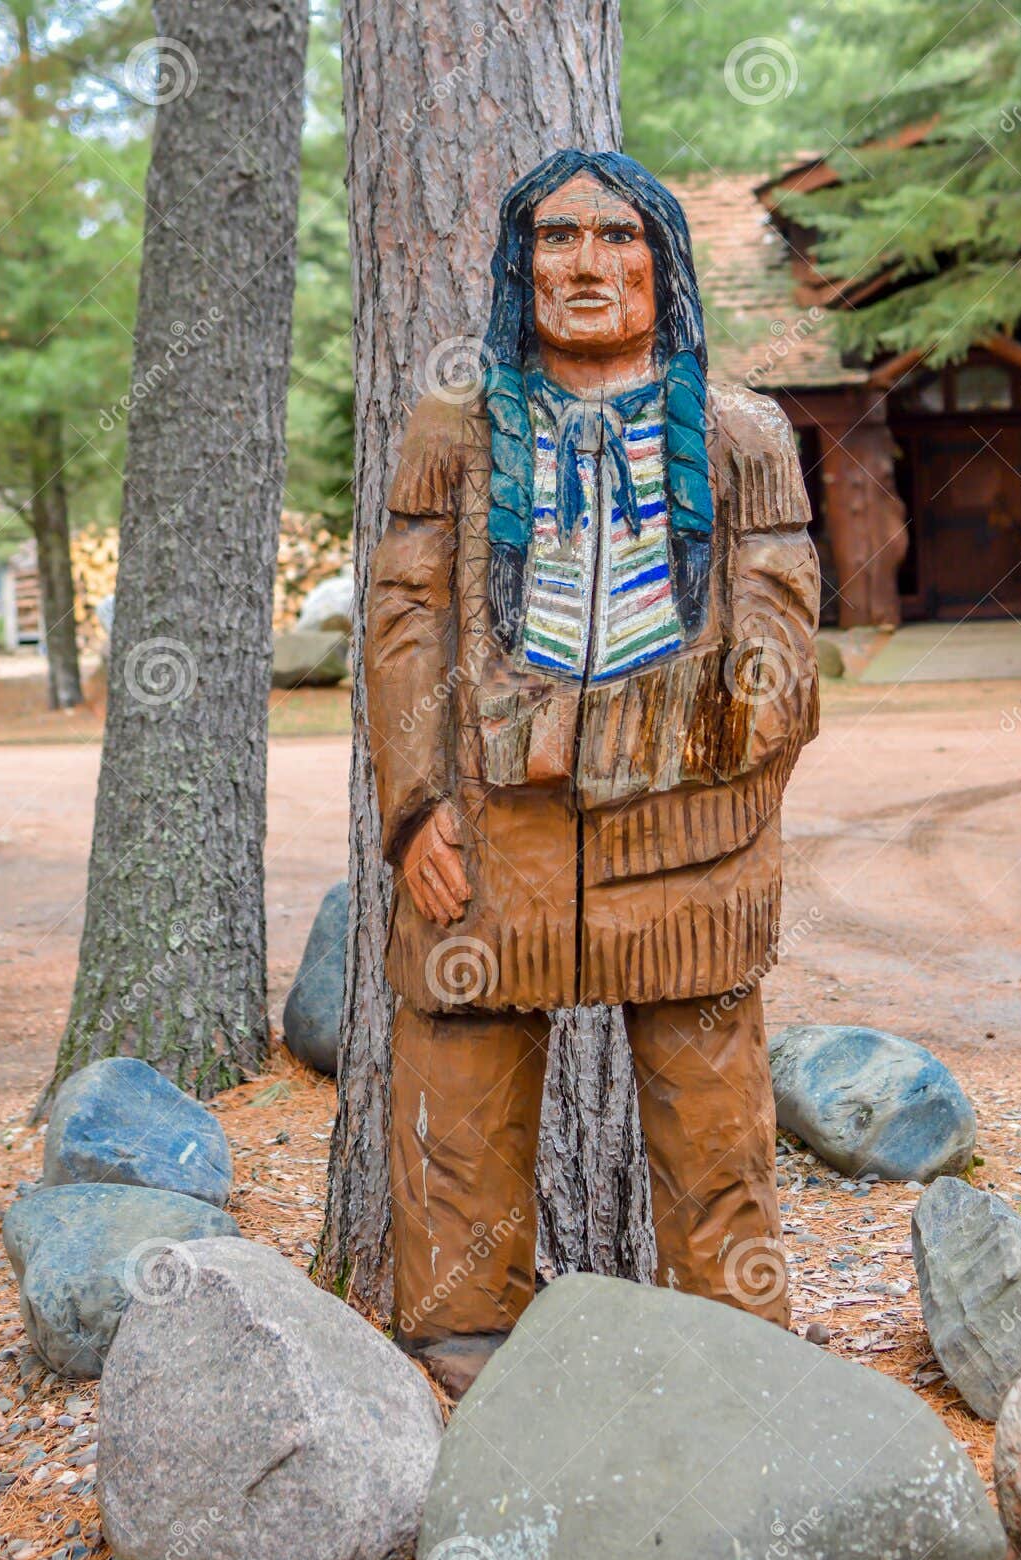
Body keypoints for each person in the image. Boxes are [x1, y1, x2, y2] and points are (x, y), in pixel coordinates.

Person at [365, 150, 820, 1397]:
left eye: (614, 238)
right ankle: (465, 1348)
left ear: (659, 265)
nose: (583, 265)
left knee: (711, 1106)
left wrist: (723, 719)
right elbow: (402, 624)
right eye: (554, 240)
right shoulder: (452, 429)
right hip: (491, 832)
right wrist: (411, 808)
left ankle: (735, 1345)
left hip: (687, 835)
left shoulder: (738, 434)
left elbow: (780, 612)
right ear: (520, 267)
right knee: (459, 1087)